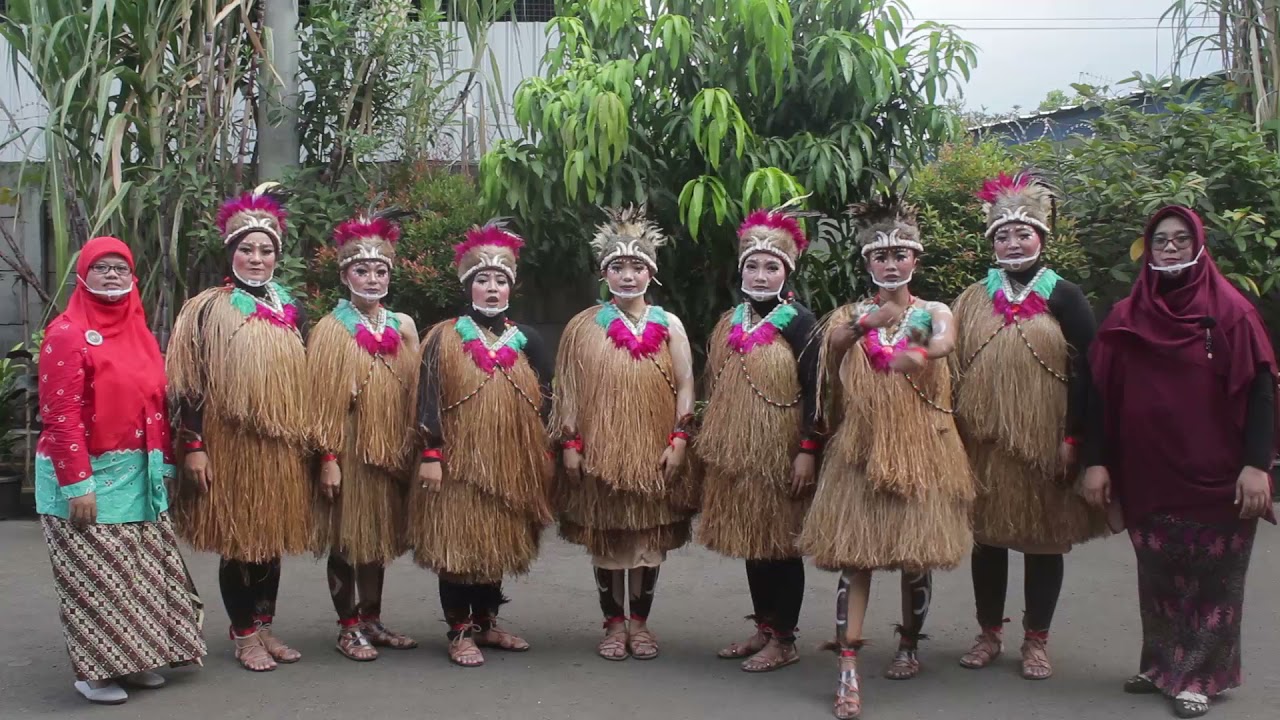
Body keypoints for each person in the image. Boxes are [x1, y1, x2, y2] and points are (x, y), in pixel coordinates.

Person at [1082, 205, 1277, 719]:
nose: (1169, 248)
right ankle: (1163, 664)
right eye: (1160, 240)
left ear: (1199, 245)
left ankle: (1202, 677)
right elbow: (1100, 397)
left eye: (1180, 239)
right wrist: (1097, 463)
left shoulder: (1232, 311)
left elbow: (1261, 389)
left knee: (1215, 582)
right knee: (1160, 576)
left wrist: (1258, 465)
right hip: (1147, 474)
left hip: (1217, 478)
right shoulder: (1125, 317)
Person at [798, 199, 975, 720]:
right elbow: (829, 351)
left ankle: (909, 645)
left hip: (924, 446)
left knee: (914, 555)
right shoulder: (852, 315)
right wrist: (865, 325)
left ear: (915, 260)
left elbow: (945, 340)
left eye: (901, 254)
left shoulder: (933, 311)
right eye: (881, 257)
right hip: (861, 449)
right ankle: (848, 667)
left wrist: (910, 349)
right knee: (856, 559)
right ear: (868, 264)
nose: (891, 264)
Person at [35, 236, 206, 705]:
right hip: (88, 475)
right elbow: (60, 414)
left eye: (121, 269)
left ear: (133, 279)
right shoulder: (66, 333)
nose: (112, 275)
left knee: (139, 575)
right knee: (98, 578)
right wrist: (77, 484)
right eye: (102, 267)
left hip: (139, 474)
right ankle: (95, 673)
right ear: (82, 276)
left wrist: (165, 465)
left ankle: (134, 662)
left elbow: (156, 404)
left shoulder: (141, 333)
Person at [950, 173, 1107, 679]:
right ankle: (989, 633)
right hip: (984, 446)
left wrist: (1073, 439)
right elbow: (949, 370)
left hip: (1046, 446)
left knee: (1043, 543)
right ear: (990, 241)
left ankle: (1036, 641)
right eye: (1002, 235)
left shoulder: (1066, 295)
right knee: (987, 541)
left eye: (1022, 234)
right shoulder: (972, 299)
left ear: (1042, 237)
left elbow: (1090, 372)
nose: (1012, 243)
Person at [168, 186, 313, 672]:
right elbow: (189, 386)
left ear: (277, 256)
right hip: (228, 445)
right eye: (247, 249)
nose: (257, 257)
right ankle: (244, 633)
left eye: (266, 250)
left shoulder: (290, 311)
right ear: (230, 252)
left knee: (270, 538)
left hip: (281, 448)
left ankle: (264, 625)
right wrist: (194, 446)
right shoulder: (206, 308)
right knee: (239, 539)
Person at [552, 205, 697, 662]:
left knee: (648, 542)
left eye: (637, 267)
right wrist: (571, 444)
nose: (628, 276)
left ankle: (641, 624)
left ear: (651, 273)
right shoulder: (582, 326)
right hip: (601, 452)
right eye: (618, 267)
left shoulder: (669, 324)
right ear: (604, 273)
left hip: (655, 450)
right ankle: (614, 625)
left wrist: (679, 439)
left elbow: (687, 383)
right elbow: (567, 389)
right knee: (609, 540)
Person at [408, 220, 554, 667]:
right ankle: (458, 631)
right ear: (468, 285)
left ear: (512, 288)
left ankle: (487, 623)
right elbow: (426, 397)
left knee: (496, 543)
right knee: (459, 545)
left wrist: (547, 449)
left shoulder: (527, 338)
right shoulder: (443, 337)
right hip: (457, 462)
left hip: (511, 462)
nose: (492, 289)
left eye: (500, 281)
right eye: (483, 280)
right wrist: (431, 452)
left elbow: (551, 396)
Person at [697, 206, 820, 672]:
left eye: (772, 267)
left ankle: (785, 639)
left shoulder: (800, 322)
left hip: (782, 453)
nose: (761, 274)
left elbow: (817, 391)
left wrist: (808, 450)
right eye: (753, 265)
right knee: (754, 540)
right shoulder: (730, 321)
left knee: (781, 546)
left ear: (787, 272)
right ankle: (765, 627)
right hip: (739, 456)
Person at [309, 211, 420, 661]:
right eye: (362, 270)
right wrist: (328, 458)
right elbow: (318, 402)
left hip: (391, 448)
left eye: (380, 271)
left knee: (377, 538)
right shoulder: (329, 331)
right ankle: (347, 625)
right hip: (349, 449)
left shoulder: (404, 325)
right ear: (344, 274)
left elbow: (417, 391)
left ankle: (371, 619)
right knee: (345, 537)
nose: (372, 279)